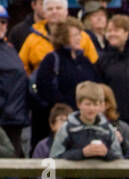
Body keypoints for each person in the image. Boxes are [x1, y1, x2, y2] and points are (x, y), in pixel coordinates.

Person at [19, 0, 97, 73]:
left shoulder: (82, 36)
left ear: (66, 11)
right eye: (50, 9)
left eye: (58, 8)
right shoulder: (32, 39)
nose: (54, 12)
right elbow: (22, 67)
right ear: (45, 13)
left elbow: (94, 64)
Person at [0, 4, 32, 155]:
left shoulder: (9, 47)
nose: (0, 25)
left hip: (16, 119)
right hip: (3, 118)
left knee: (14, 166)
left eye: (3, 21)